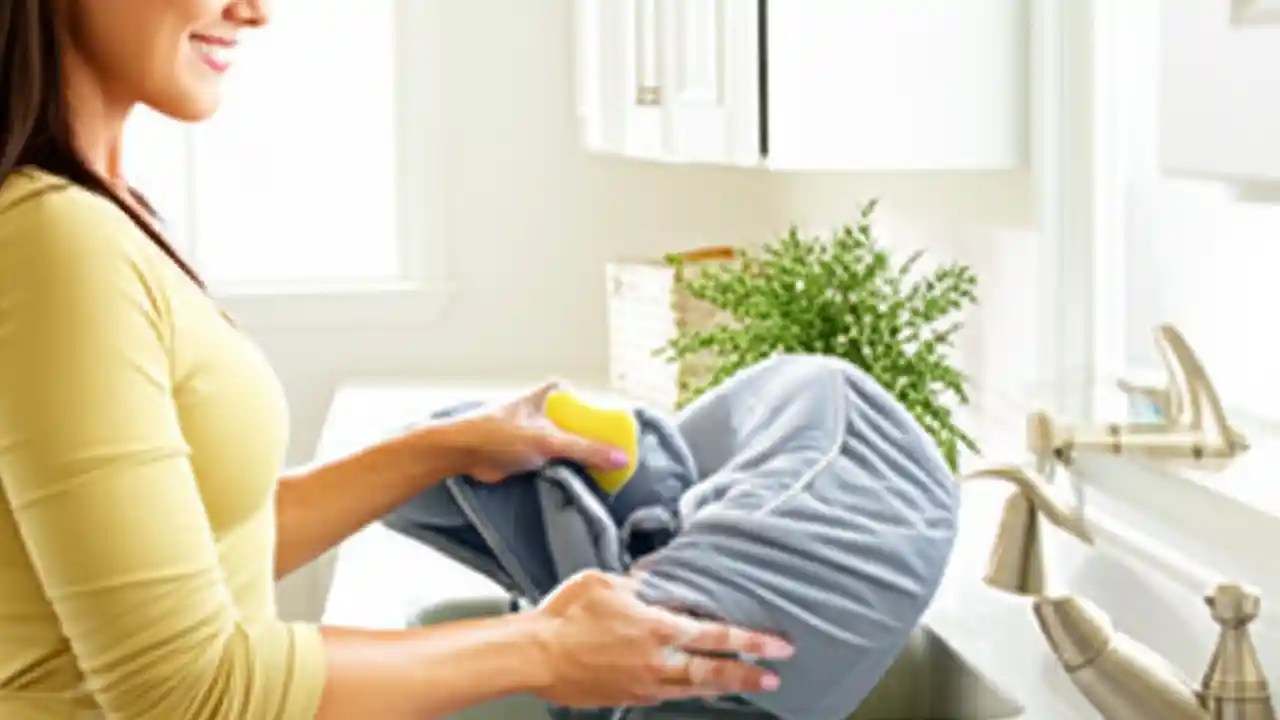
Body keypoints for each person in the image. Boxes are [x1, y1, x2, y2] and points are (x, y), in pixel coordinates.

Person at [0, 1, 795, 718]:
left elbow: (196, 552)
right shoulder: (56, 244)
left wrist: (442, 449)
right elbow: (185, 691)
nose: (255, 11)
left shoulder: (97, 211)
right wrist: (541, 648)